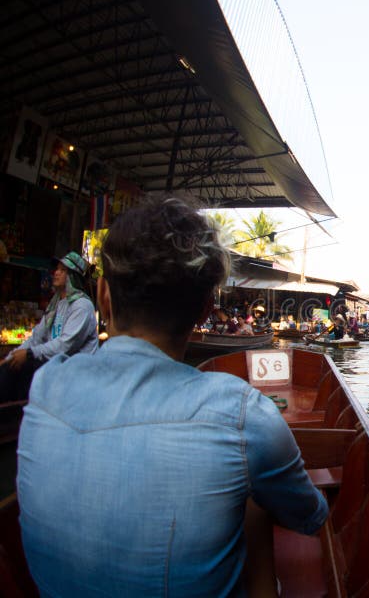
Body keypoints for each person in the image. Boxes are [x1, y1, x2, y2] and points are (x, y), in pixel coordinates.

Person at [17, 196, 327, 596]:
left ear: (103, 296)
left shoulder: (45, 385)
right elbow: (310, 517)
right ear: (204, 311)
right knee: (254, 500)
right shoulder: (242, 414)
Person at [0, 251, 98, 403]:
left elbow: (65, 345)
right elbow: (36, 338)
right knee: (10, 371)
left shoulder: (82, 306)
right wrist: (10, 358)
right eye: (57, 269)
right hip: (55, 372)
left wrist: (29, 354)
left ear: (73, 276)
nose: (56, 273)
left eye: (62, 270)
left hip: (75, 377)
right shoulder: (56, 303)